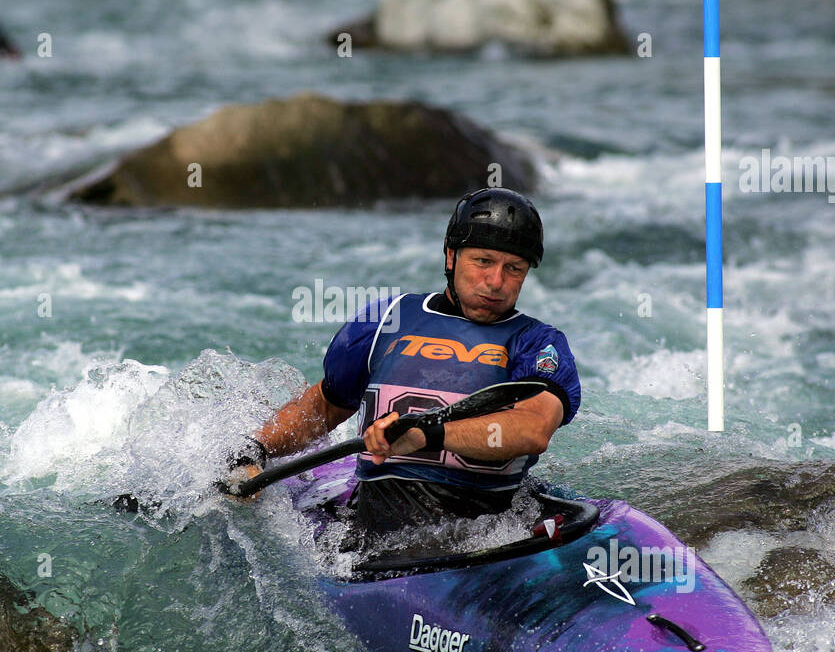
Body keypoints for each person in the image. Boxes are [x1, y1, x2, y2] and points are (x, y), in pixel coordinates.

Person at [223, 188, 581, 548]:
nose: (496, 282)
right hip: (376, 535)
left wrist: (427, 436)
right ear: (451, 256)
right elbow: (324, 406)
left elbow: (533, 429)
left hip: (489, 532)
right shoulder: (385, 322)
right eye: (483, 261)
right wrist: (256, 449)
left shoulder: (537, 343)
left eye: (513, 269)